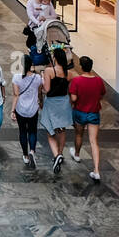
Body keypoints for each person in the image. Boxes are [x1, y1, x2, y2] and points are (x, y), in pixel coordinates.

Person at [70, 55, 106, 181]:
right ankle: (96, 170)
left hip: (80, 112)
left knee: (79, 135)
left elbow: (73, 98)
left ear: (81, 66)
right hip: (94, 113)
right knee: (93, 141)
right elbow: (101, 94)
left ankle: (77, 154)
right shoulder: (98, 81)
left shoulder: (77, 81)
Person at [40, 47, 75, 175]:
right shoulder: (69, 73)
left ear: (55, 58)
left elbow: (47, 89)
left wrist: (43, 79)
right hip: (64, 103)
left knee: (50, 132)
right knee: (62, 129)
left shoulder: (49, 71)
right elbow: (70, 90)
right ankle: (60, 152)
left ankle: (56, 155)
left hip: (52, 103)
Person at [11, 55, 44, 167]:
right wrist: (40, 102)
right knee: (33, 131)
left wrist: (12, 110)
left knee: (22, 132)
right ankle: (32, 151)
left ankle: (25, 155)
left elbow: (16, 95)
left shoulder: (16, 78)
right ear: (31, 65)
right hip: (33, 109)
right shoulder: (38, 78)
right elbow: (40, 92)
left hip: (21, 109)